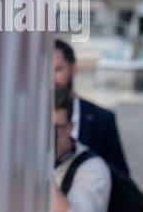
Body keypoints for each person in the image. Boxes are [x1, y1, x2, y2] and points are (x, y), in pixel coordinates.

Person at [53, 39, 130, 177]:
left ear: (73, 69)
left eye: (57, 69)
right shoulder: (24, 117)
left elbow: (121, 178)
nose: (51, 78)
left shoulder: (102, 119)